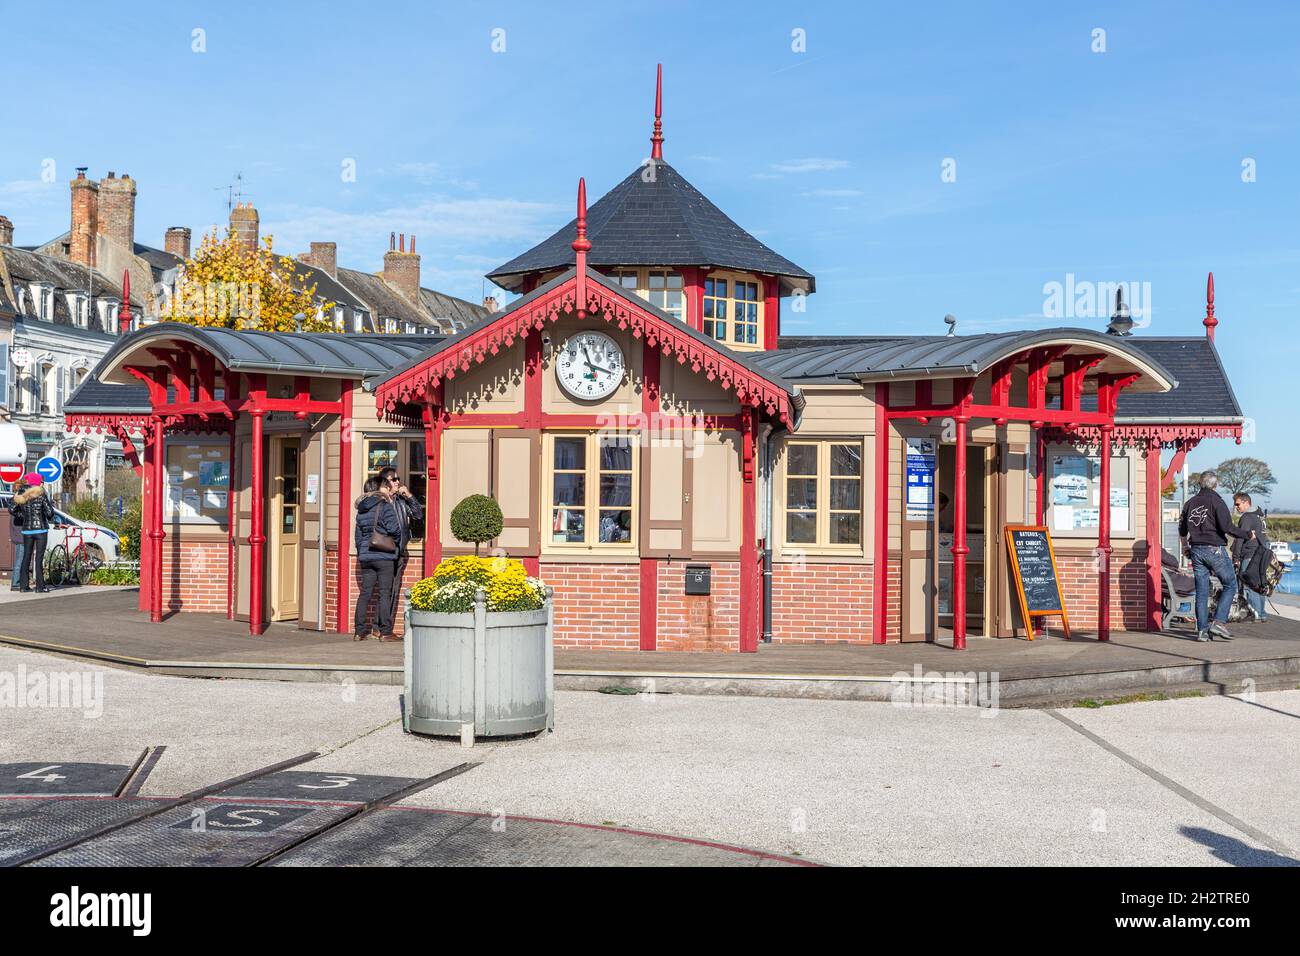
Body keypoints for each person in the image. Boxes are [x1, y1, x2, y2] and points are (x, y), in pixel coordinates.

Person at [1178, 470, 1251, 642]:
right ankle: (1218, 621)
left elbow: (1182, 529)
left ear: (1200, 484)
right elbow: (1227, 528)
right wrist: (1248, 535)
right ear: (1215, 484)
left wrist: (1185, 547)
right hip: (1213, 549)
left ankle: (1202, 631)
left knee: (1202, 592)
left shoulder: (1190, 503)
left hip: (1195, 550)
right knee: (1230, 583)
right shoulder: (1217, 502)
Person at [354, 475, 404, 641]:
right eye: (385, 485)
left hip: (366, 555)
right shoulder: (384, 506)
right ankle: (386, 632)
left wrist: (362, 551)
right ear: (379, 488)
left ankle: (359, 631)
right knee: (384, 593)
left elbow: (358, 536)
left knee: (365, 593)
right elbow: (395, 530)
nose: (388, 488)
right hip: (384, 556)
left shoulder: (361, 509)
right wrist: (393, 544)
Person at [377, 466, 423, 632]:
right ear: (385, 482)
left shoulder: (402, 501)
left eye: (398, 479)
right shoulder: (380, 500)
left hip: (400, 551)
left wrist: (409, 495)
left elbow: (418, 514)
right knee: (385, 590)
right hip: (385, 551)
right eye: (393, 479)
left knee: (393, 590)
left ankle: (383, 627)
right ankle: (381, 628)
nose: (397, 482)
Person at [9, 474, 55, 593]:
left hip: (27, 530)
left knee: (26, 557)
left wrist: (24, 516)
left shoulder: (22, 495)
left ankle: (23, 586)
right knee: (38, 558)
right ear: (37, 482)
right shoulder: (41, 494)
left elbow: (12, 509)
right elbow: (50, 513)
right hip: (41, 530)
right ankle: (40, 587)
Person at [1232, 492, 1269, 621]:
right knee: (1259, 585)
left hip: (1249, 555)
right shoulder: (1260, 517)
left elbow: (1240, 538)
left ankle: (1256, 613)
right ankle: (1261, 613)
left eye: (1238, 504)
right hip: (1261, 555)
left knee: (1248, 584)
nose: (1236, 507)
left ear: (1246, 502)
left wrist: (1235, 558)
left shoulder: (1246, 517)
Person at [8, 484, 26, 592]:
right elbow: (18, 516)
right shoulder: (16, 501)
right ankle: (15, 583)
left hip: (19, 533)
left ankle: (18, 582)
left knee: (20, 558)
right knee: (19, 558)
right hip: (20, 534)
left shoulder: (14, 500)